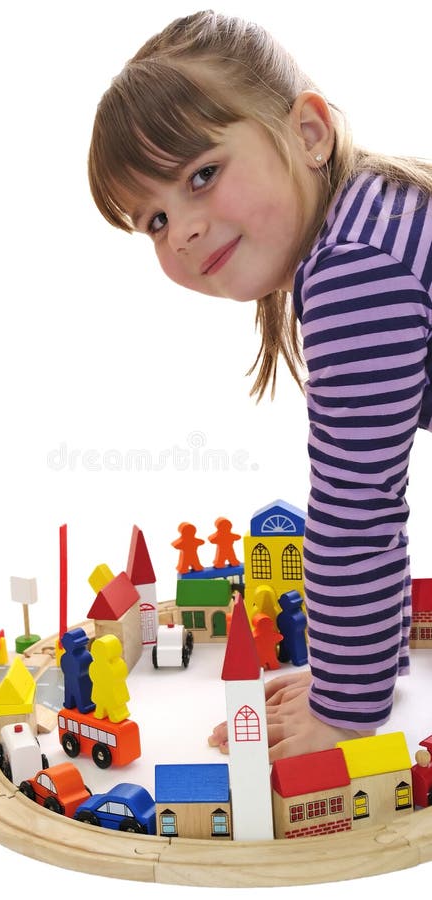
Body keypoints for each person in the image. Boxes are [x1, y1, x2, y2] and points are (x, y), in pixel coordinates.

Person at [87, 10, 432, 761]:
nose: (179, 231)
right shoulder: (378, 215)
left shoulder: (354, 269)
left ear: (309, 133)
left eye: (201, 175)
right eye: (151, 218)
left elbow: (356, 502)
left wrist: (344, 704)